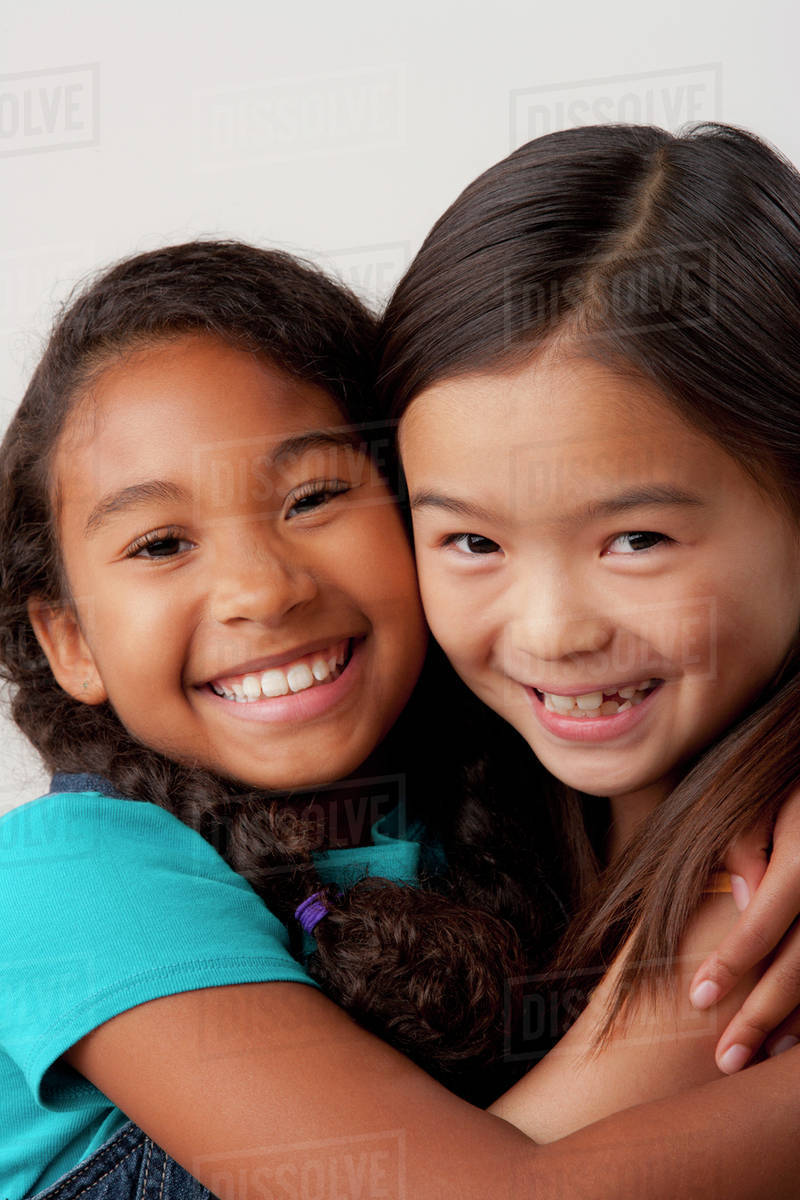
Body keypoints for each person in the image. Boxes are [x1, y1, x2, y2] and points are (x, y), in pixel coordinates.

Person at [1, 238, 799, 1200]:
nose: (262, 590)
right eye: (161, 543)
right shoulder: (70, 878)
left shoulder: (532, 769)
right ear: (68, 641)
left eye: (315, 496)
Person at [381, 120, 800, 1140]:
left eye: (635, 539)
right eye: (471, 543)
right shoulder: (435, 782)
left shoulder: (754, 883)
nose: (553, 630)